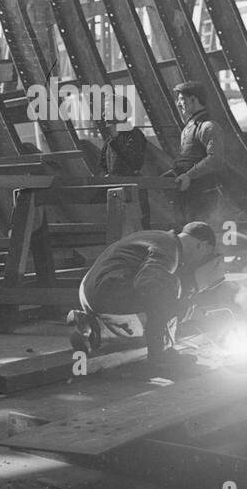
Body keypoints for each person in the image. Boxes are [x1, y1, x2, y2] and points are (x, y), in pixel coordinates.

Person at [68, 222, 219, 373]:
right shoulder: (170, 250)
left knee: (155, 311)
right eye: (205, 256)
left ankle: (90, 327)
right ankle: (161, 357)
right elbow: (150, 283)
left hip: (92, 292)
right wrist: (184, 300)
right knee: (169, 288)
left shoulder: (162, 239)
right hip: (108, 289)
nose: (199, 261)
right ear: (202, 246)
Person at [163, 81, 225, 228]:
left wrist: (189, 176)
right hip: (186, 193)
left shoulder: (209, 127)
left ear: (193, 99)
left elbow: (215, 159)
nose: (178, 104)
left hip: (202, 194)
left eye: (182, 99)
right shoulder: (188, 129)